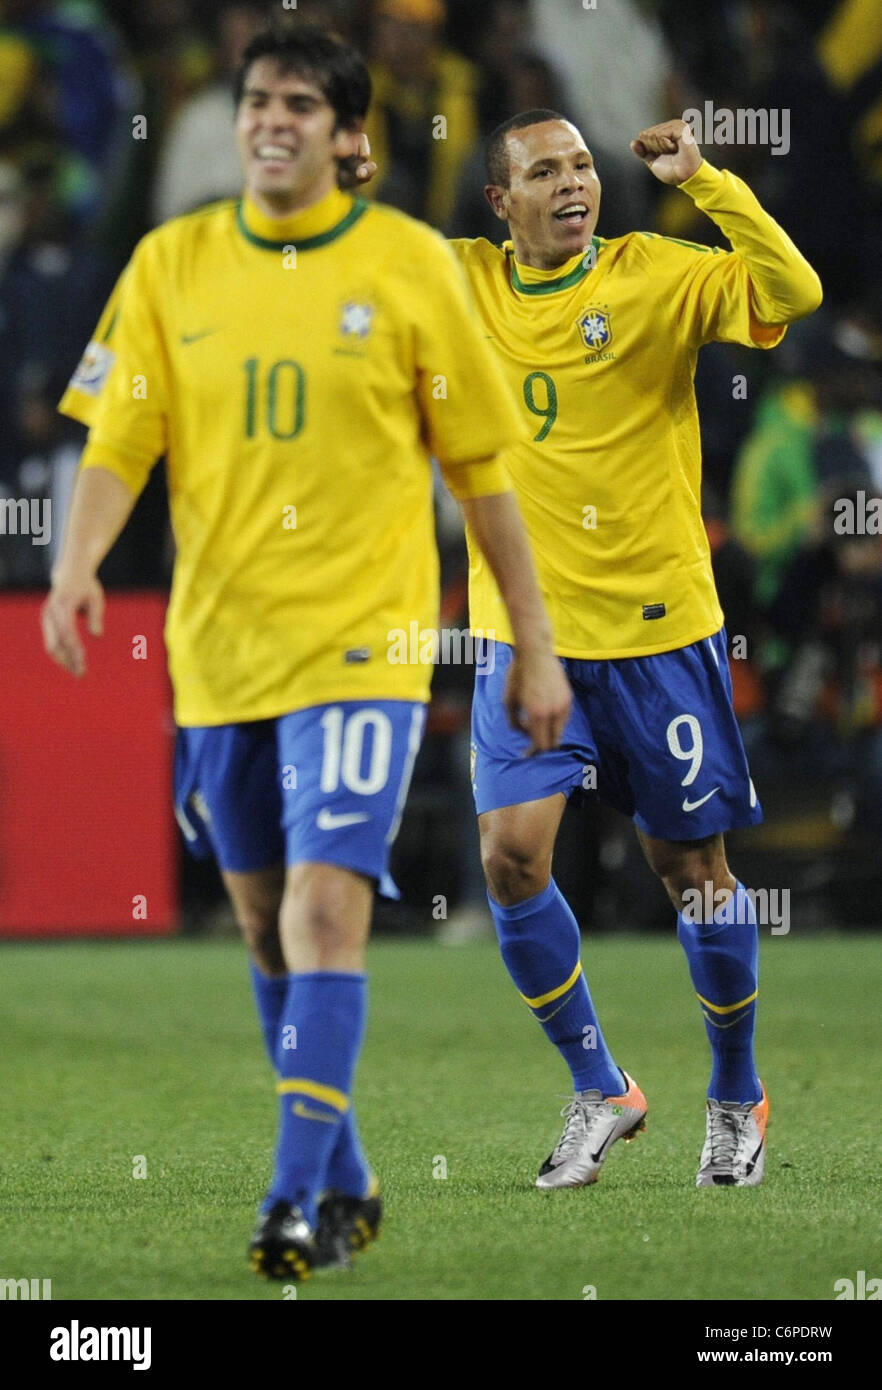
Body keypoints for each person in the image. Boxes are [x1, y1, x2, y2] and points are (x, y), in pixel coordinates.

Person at [41, 28, 571, 1282]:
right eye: (257, 100)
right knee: (266, 936)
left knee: (324, 909)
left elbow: (483, 476)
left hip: (364, 642)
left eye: (300, 104)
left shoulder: (410, 268)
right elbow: (120, 441)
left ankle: (293, 1205)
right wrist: (75, 563)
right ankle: (351, 1175)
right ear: (239, 123)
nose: (272, 119)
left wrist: (535, 646)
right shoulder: (170, 263)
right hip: (219, 648)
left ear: (349, 137)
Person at [353, 106, 822, 1189]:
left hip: (659, 633)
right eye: (544, 173)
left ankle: (736, 1095)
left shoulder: (657, 272)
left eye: (582, 167)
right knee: (511, 856)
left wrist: (707, 180)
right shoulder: (461, 281)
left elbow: (793, 292)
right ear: (499, 202)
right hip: (525, 641)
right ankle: (602, 1086)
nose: (574, 185)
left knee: (690, 870)